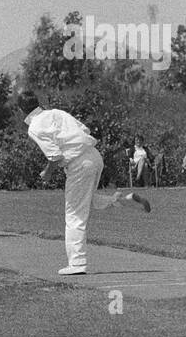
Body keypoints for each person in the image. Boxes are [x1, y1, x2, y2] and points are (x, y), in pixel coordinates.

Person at [18, 89, 150, 275]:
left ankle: (77, 263)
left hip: (78, 164)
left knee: (74, 215)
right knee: (90, 200)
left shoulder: (34, 127)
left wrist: (47, 173)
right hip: (94, 156)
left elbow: (54, 156)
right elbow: (84, 130)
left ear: (21, 110)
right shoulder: (57, 112)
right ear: (38, 103)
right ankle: (125, 200)